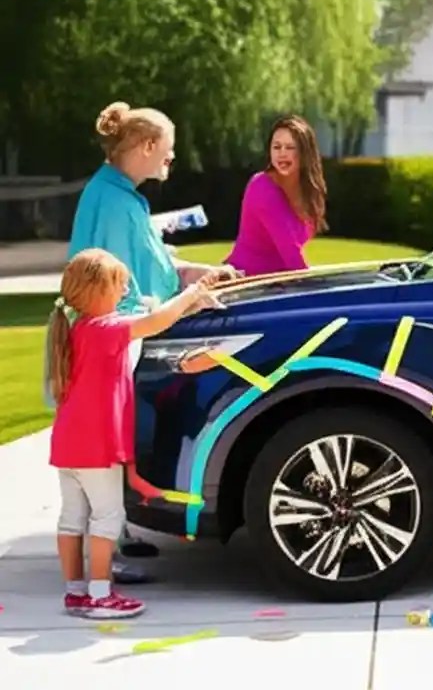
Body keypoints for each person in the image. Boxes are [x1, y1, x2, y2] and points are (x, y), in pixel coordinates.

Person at [65, 101, 239, 579]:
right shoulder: (117, 202)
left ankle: (118, 535)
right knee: (112, 445)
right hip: (115, 347)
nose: (170, 159)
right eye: (167, 150)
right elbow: (119, 290)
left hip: (117, 342)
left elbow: (149, 265)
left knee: (121, 442)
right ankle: (107, 557)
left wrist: (193, 275)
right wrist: (185, 300)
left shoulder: (120, 196)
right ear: (145, 147)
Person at [47, 249, 216, 619]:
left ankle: (75, 592)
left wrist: (187, 306)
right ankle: (101, 594)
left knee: (72, 518)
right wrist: (192, 292)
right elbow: (155, 322)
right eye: (118, 286)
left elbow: (150, 319)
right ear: (96, 291)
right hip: (95, 446)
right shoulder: (105, 330)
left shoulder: (80, 329)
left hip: (69, 445)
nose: (124, 292)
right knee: (106, 518)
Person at [224, 115, 328, 275]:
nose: (282, 154)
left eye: (290, 147)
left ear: (305, 152)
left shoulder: (309, 190)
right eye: (277, 147)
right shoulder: (262, 186)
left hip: (280, 285)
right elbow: (291, 251)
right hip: (245, 284)